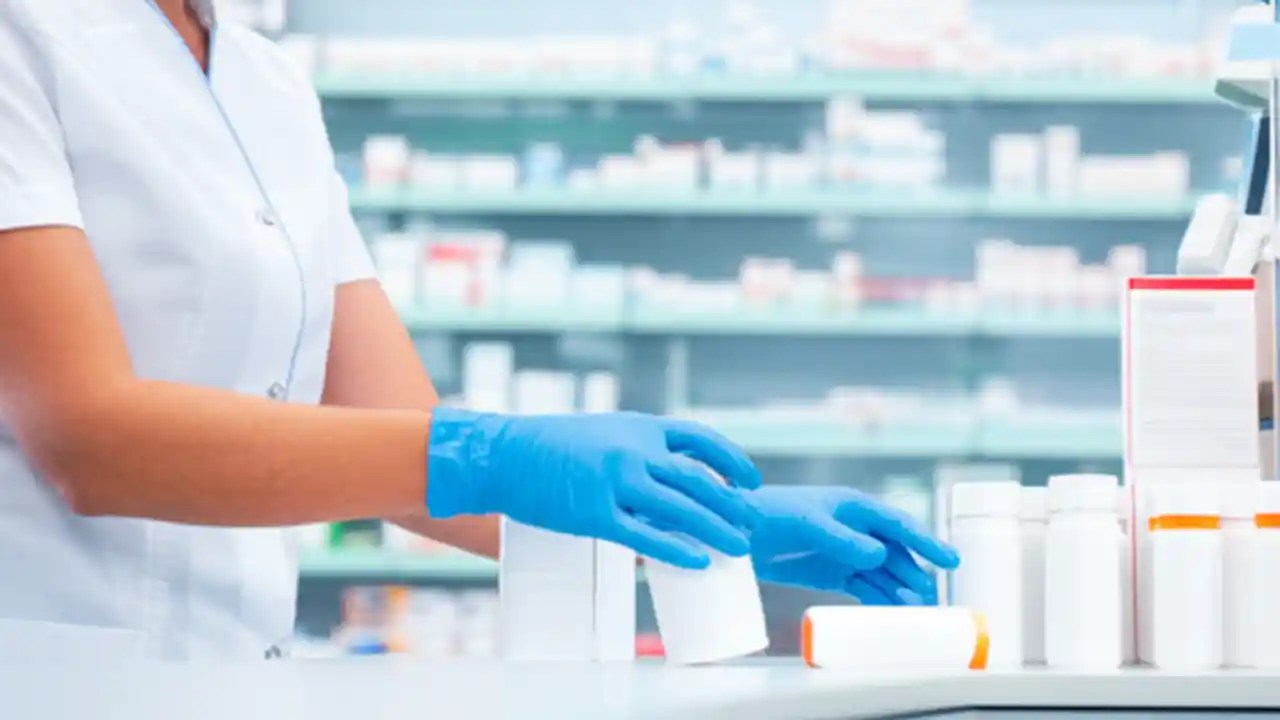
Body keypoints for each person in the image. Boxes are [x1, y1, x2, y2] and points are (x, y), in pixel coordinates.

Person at [0, 0, 958, 659]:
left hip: (243, 674)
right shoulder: (24, 38)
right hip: (66, 673)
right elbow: (87, 437)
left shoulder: (268, 84)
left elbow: (406, 457)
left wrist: (726, 525)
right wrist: (489, 454)